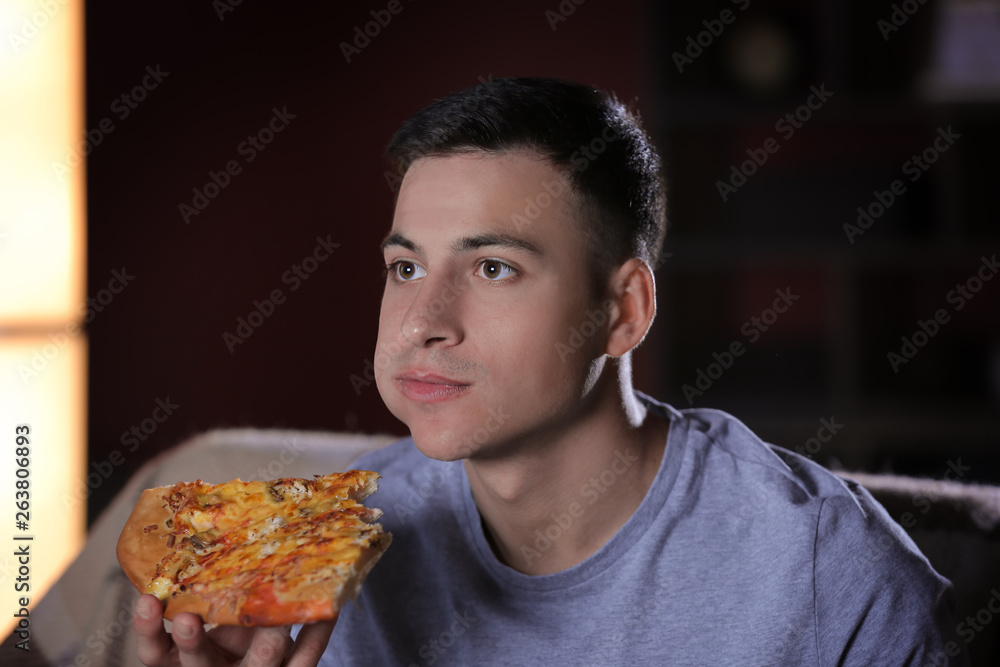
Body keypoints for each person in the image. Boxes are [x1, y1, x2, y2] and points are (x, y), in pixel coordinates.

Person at [134, 77, 966, 666]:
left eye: (493, 267)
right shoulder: (326, 554)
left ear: (624, 310)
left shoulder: (828, 577)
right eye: (405, 269)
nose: (422, 323)